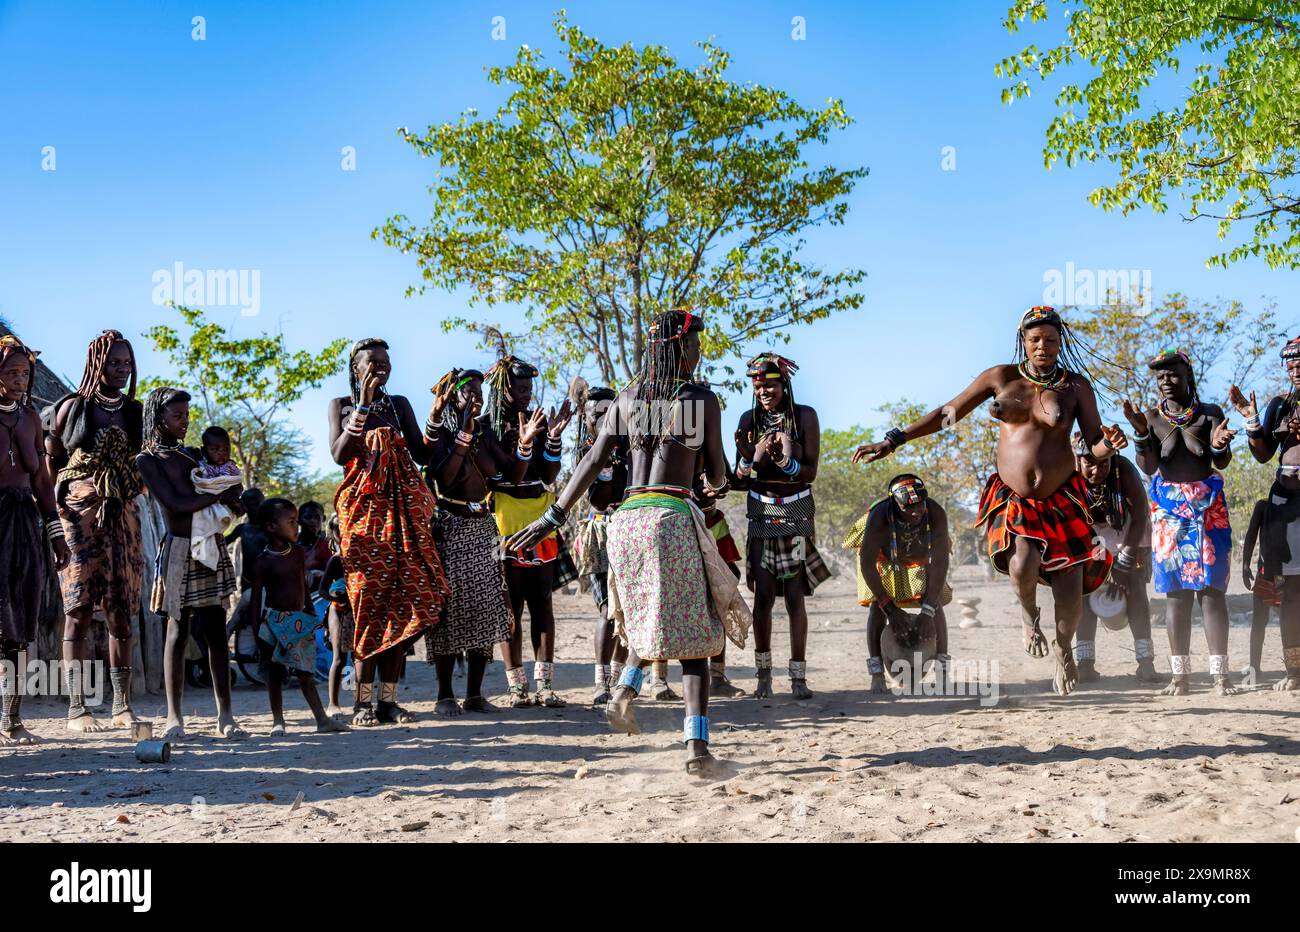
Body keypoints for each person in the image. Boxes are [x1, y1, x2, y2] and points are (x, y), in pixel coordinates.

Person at [508, 310, 752, 776]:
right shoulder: (700, 400)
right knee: (696, 632)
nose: (700, 353)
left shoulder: (627, 398)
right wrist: (721, 475)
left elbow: (591, 459)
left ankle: (623, 690)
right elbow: (716, 474)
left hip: (626, 520)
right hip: (670, 517)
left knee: (651, 615)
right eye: (696, 345)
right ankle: (697, 750)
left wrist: (553, 516)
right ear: (679, 350)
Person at [854, 307, 1128, 696]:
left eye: (1050, 340)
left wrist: (1109, 446)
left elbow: (1094, 443)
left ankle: (1064, 651)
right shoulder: (1001, 378)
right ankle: (1028, 614)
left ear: (1060, 342)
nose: (1043, 347)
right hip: (1016, 497)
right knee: (1024, 561)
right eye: (1035, 340)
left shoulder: (1075, 388)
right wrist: (895, 439)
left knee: (1069, 591)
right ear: (1023, 340)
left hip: (1064, 495)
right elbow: (948, 413)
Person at [329, 338, 449, 726]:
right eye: (372, 362)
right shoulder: (341, 406)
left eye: (385, 361)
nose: (381, 368)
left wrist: (436, 417)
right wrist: (362, 406)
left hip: (405, 521)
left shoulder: (399, 406)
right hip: (363, 522)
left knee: (402, 604)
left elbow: (422, 454)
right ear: (356, 367)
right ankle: (361, 704)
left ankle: (387, 702)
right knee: (368, 605)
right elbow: (339, 453)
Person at [43, 330, 146, 731]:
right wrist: (51, 516)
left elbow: (145, 463)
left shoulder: (136, 412)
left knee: (122, 611)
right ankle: (76, 709)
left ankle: (121, 705)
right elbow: (50, 463)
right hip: (78, 515)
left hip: (123, 515)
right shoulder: (73, 409)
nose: (121, 370)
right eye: (113, 363)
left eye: (126, 364)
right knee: (80, 610)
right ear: (96, 365)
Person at [1124, 349, 1237, 696]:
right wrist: (1142, 434)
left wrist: (1219, 445)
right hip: (1170, 514)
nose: (1166, 382)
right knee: (1176, 595)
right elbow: (1147, 467)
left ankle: (1220, 675)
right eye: (1160, 377)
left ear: (1188, 375)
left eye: (1172, 374)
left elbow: (1223, 459)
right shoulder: (1152, 418)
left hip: (1209, 512)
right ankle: (1180, 677)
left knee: (1212, 593)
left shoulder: (1209, 414)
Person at [135, 388, 246, 739]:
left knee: (215, 631)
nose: (184, 422)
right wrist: (217, 494)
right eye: (177, 416)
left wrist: (232, 496)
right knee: (177, 632)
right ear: (158, 417)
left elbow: (228, 487)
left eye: (186, 415)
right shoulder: (147, 460)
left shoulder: (194, 454)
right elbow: (177, 503)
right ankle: (173, 717)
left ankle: (225, 715)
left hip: (208, 544)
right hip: (179, 548)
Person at [422, 368, 524, 716]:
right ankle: (444, 694)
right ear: (453, 397)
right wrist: (463, 436)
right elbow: (445, 479)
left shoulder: (484, 431)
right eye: (469, 392)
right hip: (450, 527)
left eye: (480, 392)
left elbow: (509, 474)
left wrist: (526, 444)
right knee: (448, 612)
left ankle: (475, 694)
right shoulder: (439, 432)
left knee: (484, 606)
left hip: (484, 526)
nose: (477, 397)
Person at [731, 353, 829, 700]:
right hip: (761, 520)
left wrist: (785, 462)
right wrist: (745, 458)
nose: (763, 392)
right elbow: (740, 482)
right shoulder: (749, 419)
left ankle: (798, 678)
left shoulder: (805, 417)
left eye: (769, 385)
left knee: (794, 597)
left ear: (784, 384)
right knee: (763, 597)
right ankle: (764, 677)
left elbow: (811, 471)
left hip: (798, 519)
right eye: (757, 386)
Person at [479, 353, 573, 707]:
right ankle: (517, 687)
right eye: (519, 388)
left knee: (543, 603)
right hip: (506, 522)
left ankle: (545, 686)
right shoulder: (486, 427)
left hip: (540, 518)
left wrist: (552, 438)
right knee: (510, 609)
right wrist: (525, 442)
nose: (526, 394)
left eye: (529, 388)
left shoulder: (539, 420)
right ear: (503, 389)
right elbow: (508, 478)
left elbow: (548, 477)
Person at [0, 335, 70, 744]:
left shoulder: (30, 419)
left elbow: (42, 480)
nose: (21, 380)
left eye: (25, 372)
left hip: (25, 526)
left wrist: (55, 532)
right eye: (11, 372)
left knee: (18, 624)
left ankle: (12, 718)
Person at [1230, 336, 1300, 690]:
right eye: (1291, 362)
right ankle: (1294, 672)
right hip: (1284, 508)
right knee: (1288, 593)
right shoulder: (1281, 405)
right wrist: (1253, 420)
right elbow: (1262, 454)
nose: (1296, 367)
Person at [844, 474, 951, 694]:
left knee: (934, 602)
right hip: (880, 559)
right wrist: (890, 609)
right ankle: (876, 675)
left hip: (921, 554)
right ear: (895, 504)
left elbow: (940, 562)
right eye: (908, 507)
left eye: (920, 504)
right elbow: (867, 566)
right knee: (877, 606)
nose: (917, 511)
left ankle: (942, 673)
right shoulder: (879, 518)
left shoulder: (935, 513)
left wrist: (927, 611)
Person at [250, 498, 347, 735]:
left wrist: (312, 615)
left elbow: (302, 584)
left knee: (306, 673)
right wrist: (256, 631)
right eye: (291, 522)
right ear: (272, 527)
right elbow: (255, 599)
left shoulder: (297, 553)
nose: (296, 527)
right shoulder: (264, 560)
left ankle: (322, 720)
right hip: (274, 622)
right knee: (275, 674)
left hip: (300, 620)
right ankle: (278, 721)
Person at [1070, 433, 1160, 683]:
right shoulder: (1068, 475)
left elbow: (1141, 513)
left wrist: (1125, 560)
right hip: (1088, 539)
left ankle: (1146, 663)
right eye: (1090, 463)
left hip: (1129, 533)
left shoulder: (1124, 472)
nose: (1097, 470)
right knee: (1084, 595)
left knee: (1135, 592)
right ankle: (1085, 664)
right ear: (1078, 461)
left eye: (1104, 463)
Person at [571, 387, 629, 705]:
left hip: (631, 530)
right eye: (598, 414)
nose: (605, 419)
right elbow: (598, 498)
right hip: (603, 532)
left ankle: (619, 680)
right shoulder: (588, 451)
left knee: (630, 611)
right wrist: (606, 461)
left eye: (610, 413)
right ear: (586, 418)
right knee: (608, 609)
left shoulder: (629, 447)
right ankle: (601, 682)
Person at [692, 463, 746, 698]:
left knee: (719, 609)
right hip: (675, 512)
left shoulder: (716, 521)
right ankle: (659, 679)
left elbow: (731, 568)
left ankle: (717, 677)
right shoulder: (682, 521)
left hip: (709, 585)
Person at [189, 426, 243, 571]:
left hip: (224, 503)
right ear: (205, 450)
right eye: (215, 449)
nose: (222, 453)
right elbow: (199, 482)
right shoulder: (202, 465)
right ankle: (202, 548)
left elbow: (238, 483)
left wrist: (233, 492)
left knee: (236, 505)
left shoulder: (230, 467)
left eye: (226, 449)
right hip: (206, 501)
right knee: (201, 522)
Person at [1240, 499, 1279, 684]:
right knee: (1259, 622)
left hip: (1292, 574)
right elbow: (1251, 536)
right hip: (1266, 573)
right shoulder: (1263, 506)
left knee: (1292, 620)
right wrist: (1245, 564)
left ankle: (1293, 668)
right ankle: (1254, 667)